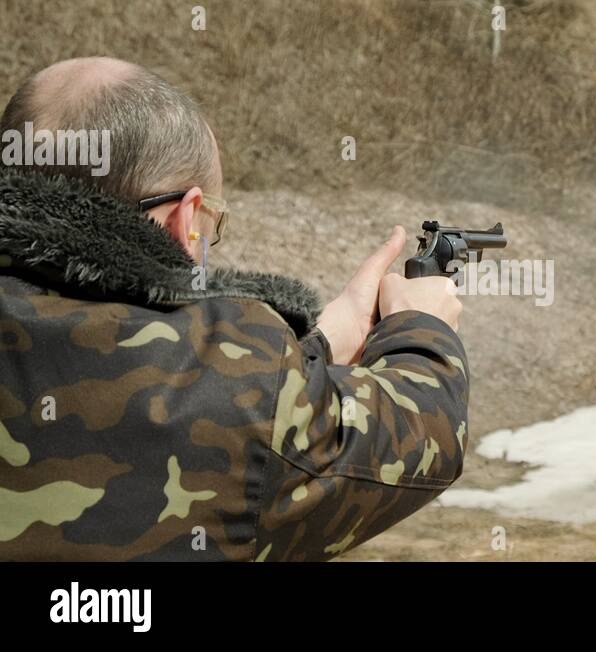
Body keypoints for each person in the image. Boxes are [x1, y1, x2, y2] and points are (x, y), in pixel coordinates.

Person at [0, 57, 467, 561]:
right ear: (186, 219)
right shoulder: (243, 388)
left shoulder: (240, 381)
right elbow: (423, 435)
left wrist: (324, 342)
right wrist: (420, 326)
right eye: (211, 221)